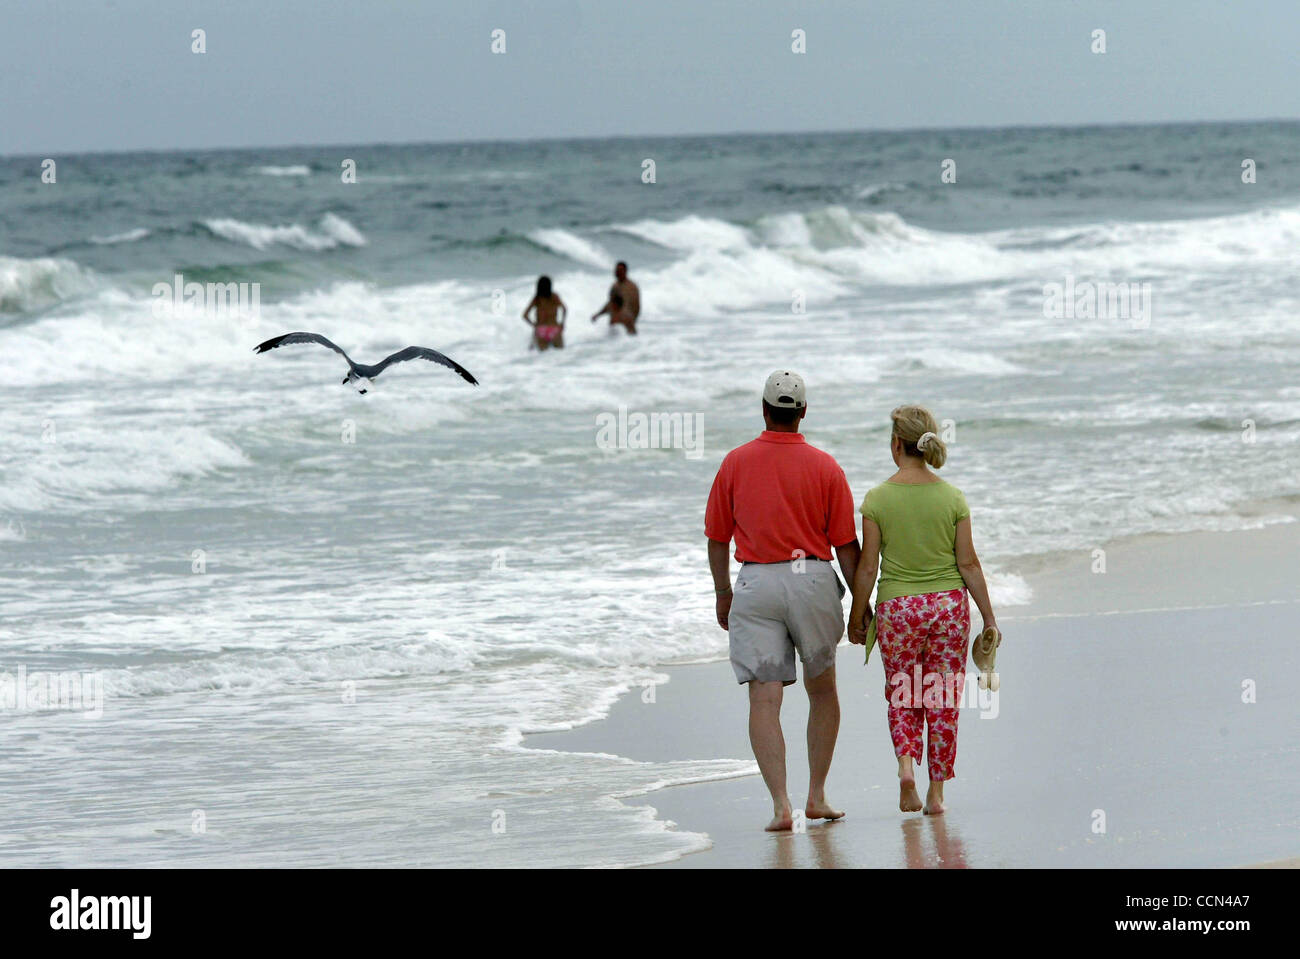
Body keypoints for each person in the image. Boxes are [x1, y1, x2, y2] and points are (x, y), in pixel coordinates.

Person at [705, 370, 861, 831]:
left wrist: (722, 593)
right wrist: (859, 604)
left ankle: (780, 806)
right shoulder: (826, 466)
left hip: (757, 584)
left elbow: (716, 538)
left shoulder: (734, 463)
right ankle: (816, 796)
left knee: (764, 700)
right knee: (823, 690)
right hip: (812, 578)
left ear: (764, 410)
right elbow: (846, 545)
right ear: (803, 413)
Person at [847, 405, 998, 816]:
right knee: (942, 698)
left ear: (896, 444)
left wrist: (857, 614)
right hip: (948, 608)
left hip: (898, 608)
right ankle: (936, 795)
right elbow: (968, 563)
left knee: (903, 694)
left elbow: (868, 566)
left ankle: (905, 771)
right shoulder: (952, 497)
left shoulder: (877, 499)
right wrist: (989, 617)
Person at [591, 261, 639, 334]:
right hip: (615, 324)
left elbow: (635, 306)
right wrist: (598, 314)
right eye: (616, 270)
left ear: (625, 271)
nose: (617, 272)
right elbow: (611, 303)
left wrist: (629, 320)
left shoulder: (631, 287)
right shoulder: (615, 286)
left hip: (627, 323)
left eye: (620, 270)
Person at [523, 276, 566, 350]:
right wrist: (562, 323)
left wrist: (534, 325)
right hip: (554, 329)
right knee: (561, 356)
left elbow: (525, 315)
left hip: (541, 330)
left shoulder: (537, 299)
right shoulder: (555, 297)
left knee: (542, 358)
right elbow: (564, 309)